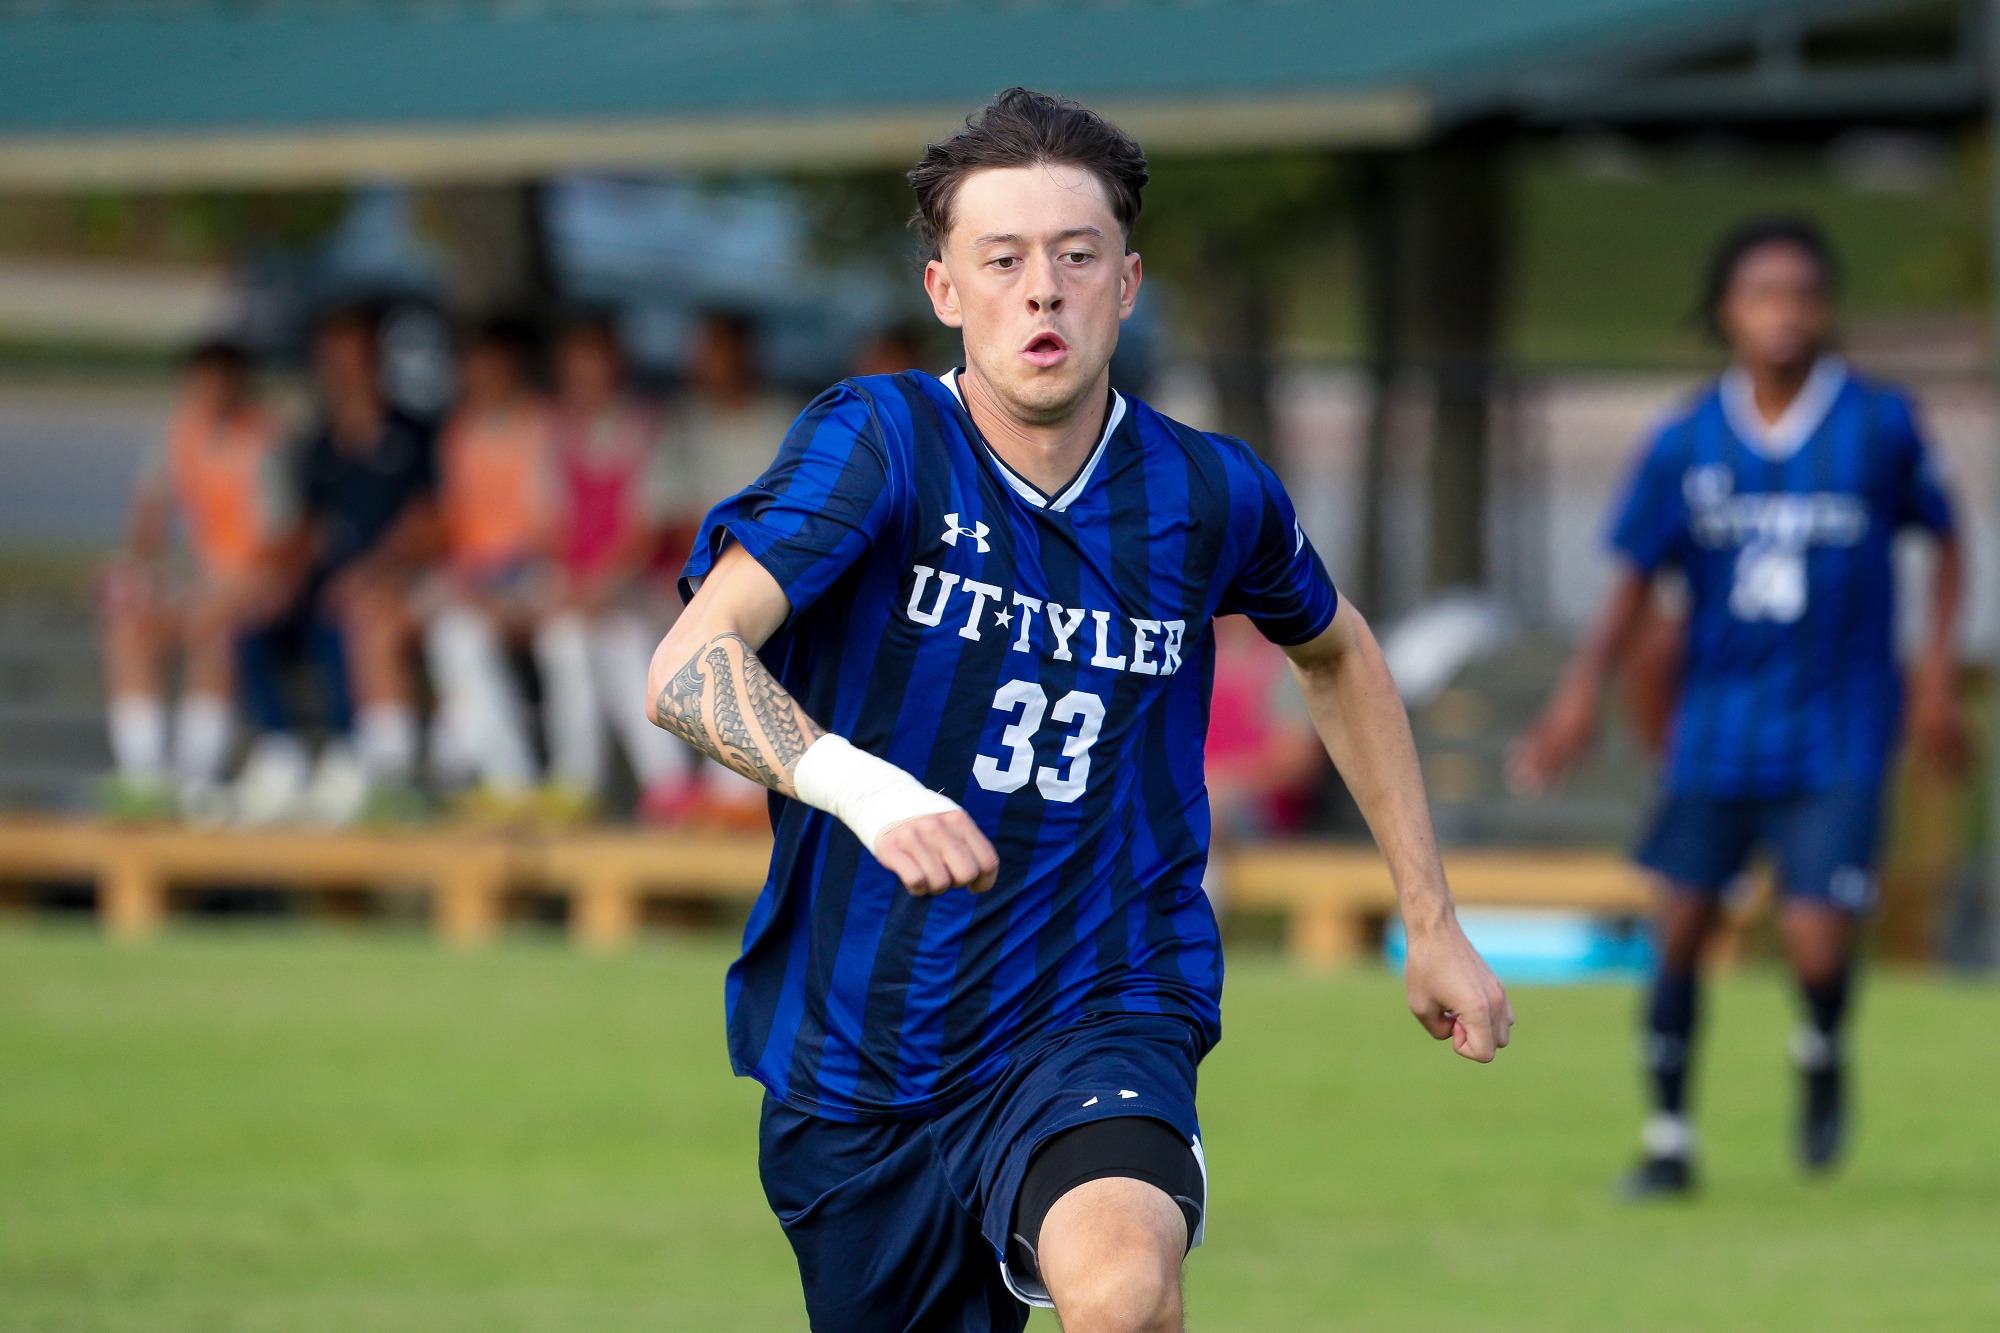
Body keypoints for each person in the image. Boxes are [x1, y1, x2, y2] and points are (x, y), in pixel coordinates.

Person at [645, 88, 1511, 1333]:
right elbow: (687, 664)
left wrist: (1429, 919)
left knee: (1119, 1291)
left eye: (1074, 256)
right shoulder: (879, 443)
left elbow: (1337, 652)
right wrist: (870, 789)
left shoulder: (1210, 492)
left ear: (1127, 282)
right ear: (945, 289)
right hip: (857, 1046)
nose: (1040, 290)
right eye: (1001, 260)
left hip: (1100, 1003)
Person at [1511, 217, 1965, 1198]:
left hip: (1839, 722)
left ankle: (1818, 1047)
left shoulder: (1875, 425)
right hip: (1717, 723)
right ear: (1727, 309)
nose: (1782, 314)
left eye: (1800, 295)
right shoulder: (1685, 438)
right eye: (1762, 295)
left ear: (1824, 308)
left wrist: (1930, 675)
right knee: (1677, 924)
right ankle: (1667, 1139)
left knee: (1811, 932)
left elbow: (1946, 539)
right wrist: (1579, 694)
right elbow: (1634, 578)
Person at [235, 303, 439, 825]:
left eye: (354, 357)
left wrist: (374, 571)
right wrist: (280, 578)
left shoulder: (415, 437)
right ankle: (283, 754)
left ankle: (363, 761)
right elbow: (304, 526)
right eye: (333, 360)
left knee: (347, 620)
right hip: (325, 581)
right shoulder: (318, 444)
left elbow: (427, 524)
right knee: (254, 622)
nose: (343, 371)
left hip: (390, 581)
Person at [100, 339, 295, 818]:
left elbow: (283, 540)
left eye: (221, 379)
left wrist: (231, 589)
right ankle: (143, 777)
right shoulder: (177, 432)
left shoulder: (267, 438)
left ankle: (196, 778)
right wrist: (136, 572)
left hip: (254, 579)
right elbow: (149, 515)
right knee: (130, 626)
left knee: (214, 628)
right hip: (200, 578)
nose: (209, 390)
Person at [537, 313, 695, 820]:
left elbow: (645, 536)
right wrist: (574, 589)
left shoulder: (648, 430)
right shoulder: (557, 436)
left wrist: (597, 589)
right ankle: (577, 783)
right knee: (565, 641)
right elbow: (550, 528)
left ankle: (666, 784)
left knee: (624, 642)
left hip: (645, 585)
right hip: (582, 589)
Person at [422, 317, 556, 809]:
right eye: (472, 364)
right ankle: (504, 779)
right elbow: (455, 526)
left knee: (462, 638)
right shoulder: (459, 431)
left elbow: (549, 530)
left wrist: (489, 587)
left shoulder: (541, 425)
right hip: (474, 577)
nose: (480, 374)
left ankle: (482, 774)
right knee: (454, 636)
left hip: (534, 572)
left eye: (490, 364)